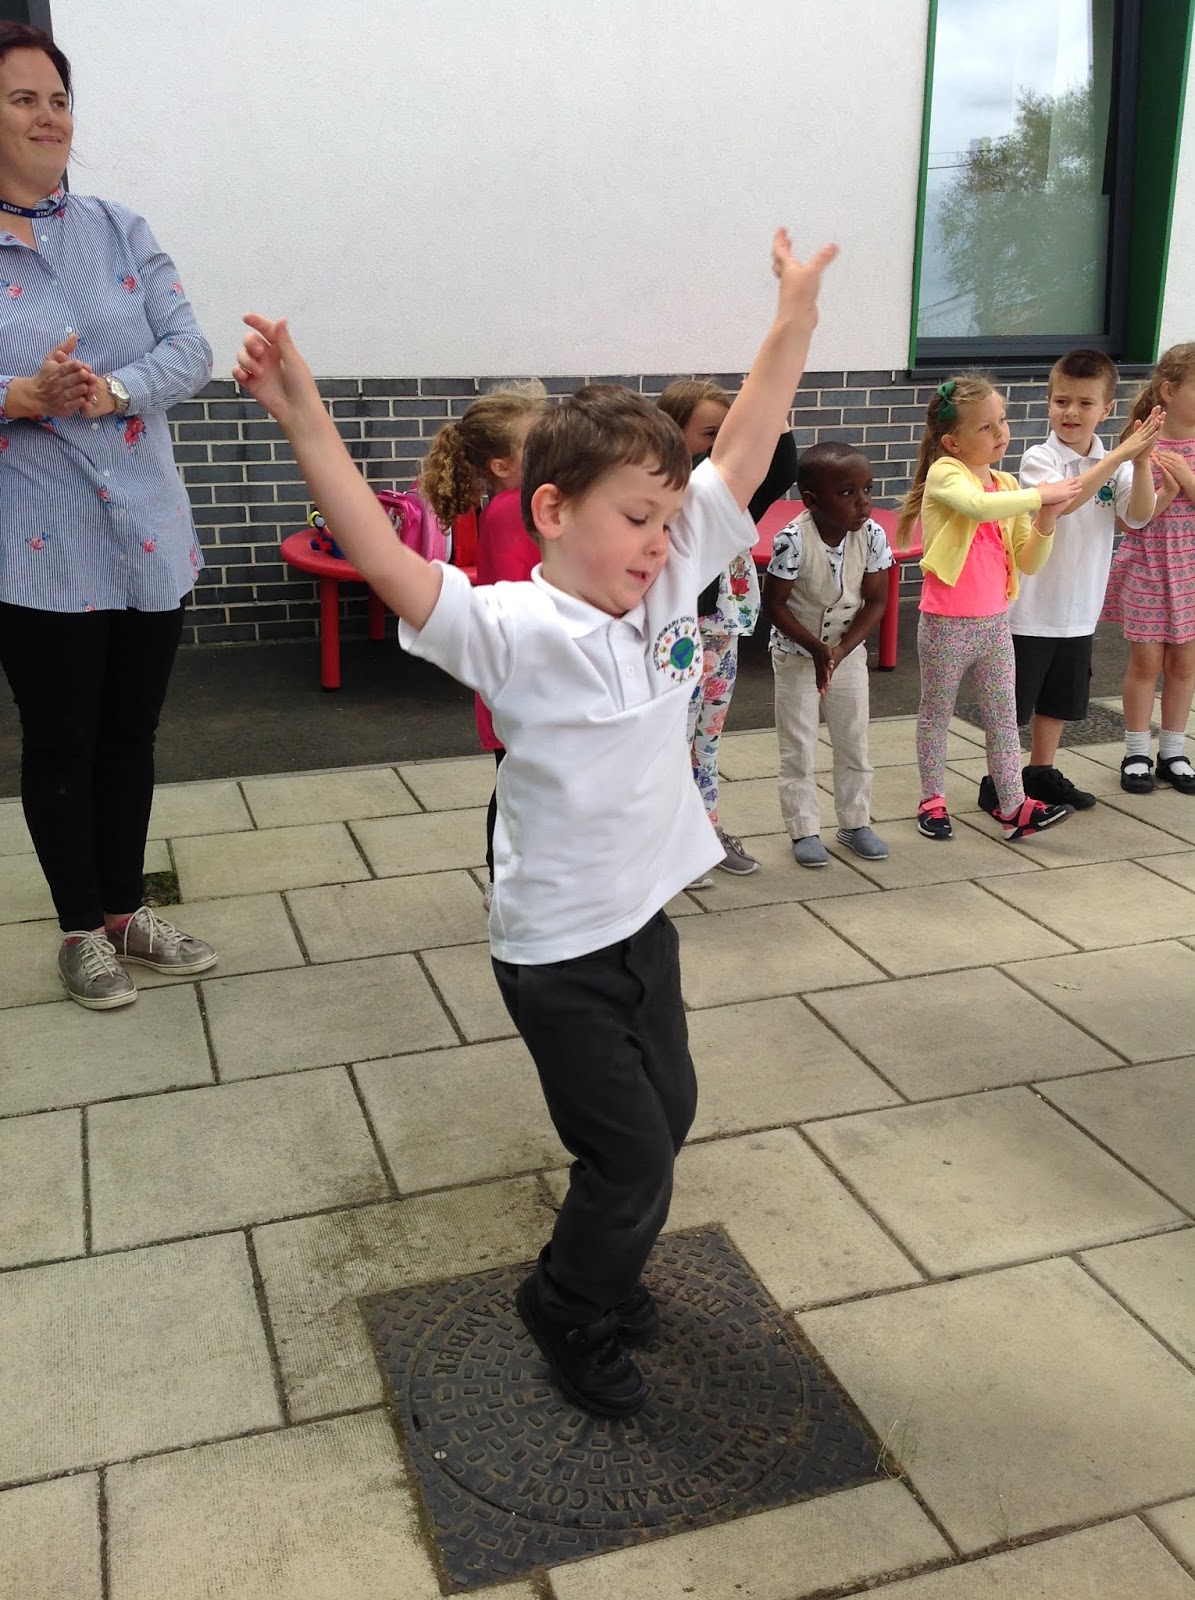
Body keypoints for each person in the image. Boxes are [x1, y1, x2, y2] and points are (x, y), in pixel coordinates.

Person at [234, 227, 838, 1417]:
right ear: (552, 509)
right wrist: (305, 416)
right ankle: (568, 1302)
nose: (660, 543)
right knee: (628, 1156)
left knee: (670, 1117)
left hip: (641, 920)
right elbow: (385, 557)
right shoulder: (506, 625)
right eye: (634, 518)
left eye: (671, 517)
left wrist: (796, 312)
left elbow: (756, 430)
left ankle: (606, 1271)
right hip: (555, 949)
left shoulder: (670, 576)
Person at [0, 24, 216, 1009]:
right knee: (62, 740)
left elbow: (189, 348)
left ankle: (127, 910)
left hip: (145, 534)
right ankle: (80, 928)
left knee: (131, 732)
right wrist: (23, 396)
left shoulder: (120, 227)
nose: (49, 116)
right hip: (40, 549)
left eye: (58, 98)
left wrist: (111, 390)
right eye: (22, 99)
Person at [896, 375, 1083, 842]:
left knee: (1002, 717)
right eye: (985, 427)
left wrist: (1046, 519)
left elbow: (1028, 560)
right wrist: (1043, 495)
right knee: (936, 711)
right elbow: (977, 508)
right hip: (946, 624)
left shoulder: (1006, 482)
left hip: (995, 625)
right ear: (951, 441)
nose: (1000, 432)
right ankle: (932, 799)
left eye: (1002, 421)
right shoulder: (946, 473)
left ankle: (1014, 805)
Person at [975, 349, 1160, 816]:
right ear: (1048, 402)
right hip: (1031, 609)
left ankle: (1040, 771)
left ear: (1107, 409)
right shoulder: (1040, 457)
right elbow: (1061, 503)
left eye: (1084, 403)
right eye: (1061, 401)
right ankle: (998, 779)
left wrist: (1139, 464)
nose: (1071, 413)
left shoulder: (1114, 463)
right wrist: (1121, 453)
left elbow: (1137, 517)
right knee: (1014, 704)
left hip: (1079, 610)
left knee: (1058, 699)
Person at [656, 380, 799, 881]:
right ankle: (669, 844)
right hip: (677, 637)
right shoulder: (677, 493)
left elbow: (782, 468)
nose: (721, 448)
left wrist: (771, 407)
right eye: (710, 435)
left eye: (726, 436)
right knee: (671, 742)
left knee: (706, 741)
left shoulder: (730, 499)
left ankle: (705, 833)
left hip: (721, 631)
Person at [419, 382, 548, 901]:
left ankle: (510, 875)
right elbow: (532, 593)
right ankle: (505, 878)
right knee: (519, 786)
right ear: (501, 464)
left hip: (517, 670)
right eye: (537, 444)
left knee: (520, 782)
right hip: (524, 674)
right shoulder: (517, 510)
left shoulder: (514, 504)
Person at [762, 442, 891, 866]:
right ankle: (803, 830)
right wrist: (815, 648)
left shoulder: (871, 536)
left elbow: (875, 601)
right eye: (848, 492)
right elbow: (775, 604)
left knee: (854, 740)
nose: (863, 503)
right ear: (812, 500)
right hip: (797, 655)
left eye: (867, 490)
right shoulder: (792, 541)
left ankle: (855, 823)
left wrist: (839, 650)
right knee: (798, 746)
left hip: (845, 652)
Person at [1102, 342, 1195, 795]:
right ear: (1169, 390)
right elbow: (1126, 518)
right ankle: (1137, 750)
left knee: (1184, 664)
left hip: (1191, 573)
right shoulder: (1141, 445)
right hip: (1149, 567)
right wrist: (1168, 494)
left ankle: (1174, 751)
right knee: (1146, 662)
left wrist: (1190, 482)